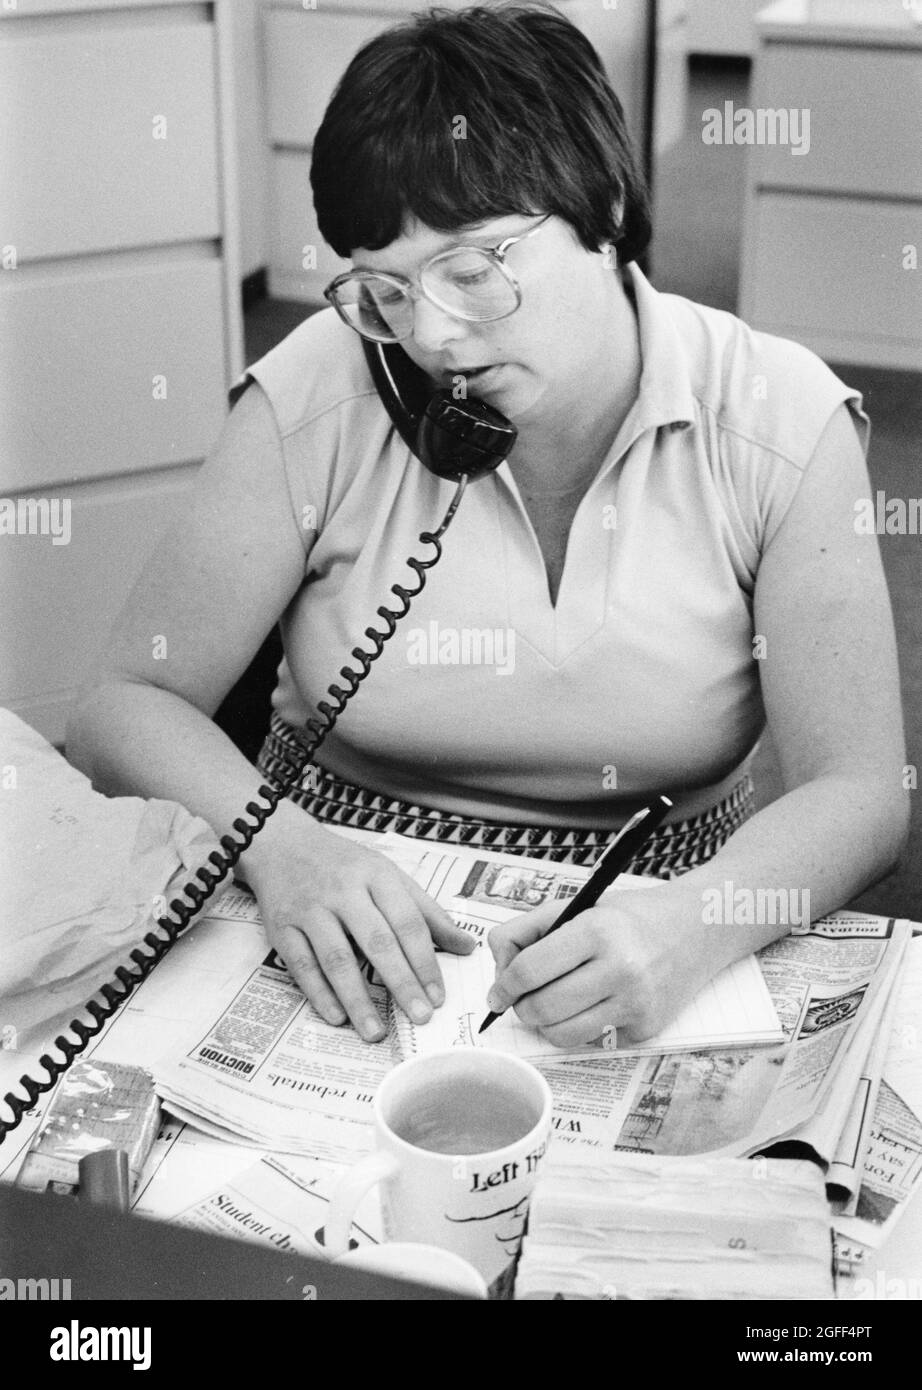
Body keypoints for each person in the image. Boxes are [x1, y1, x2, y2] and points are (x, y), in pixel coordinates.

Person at [67, 3, 908, 1052]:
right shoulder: (319, 395)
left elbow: (862, 788)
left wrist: (695, 923)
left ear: (601, 205)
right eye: (383, 291)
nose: (429, 334)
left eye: (472, 270)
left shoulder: (779, 418)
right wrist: (281, 848)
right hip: (339, 900)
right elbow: (122, 703)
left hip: (655, 912)